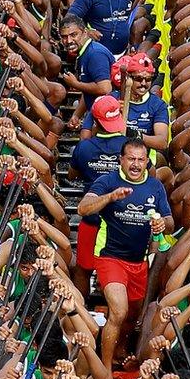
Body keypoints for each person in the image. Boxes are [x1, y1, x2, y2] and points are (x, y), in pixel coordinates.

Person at [77, 137, 173, 371]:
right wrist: (109, 197)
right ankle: (106, 369)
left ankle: (119, 349)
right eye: (131, 158)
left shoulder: (155, 186)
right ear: (121, 159)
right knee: (118, 311)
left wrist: (163, 225)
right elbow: (82, 208)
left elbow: (170, 221)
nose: (136, 164)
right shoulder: (107, 181)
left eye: (141, 160)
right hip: (110, 257)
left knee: (132, 316)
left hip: (138, 262)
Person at [69, 95, 128, 296]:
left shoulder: (83, 147)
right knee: (120, 275)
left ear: (95, 121)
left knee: (83, 269)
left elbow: (72, 174)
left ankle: (81, 309)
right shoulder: (130, 147)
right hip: (122, 222)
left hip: (92, 218)